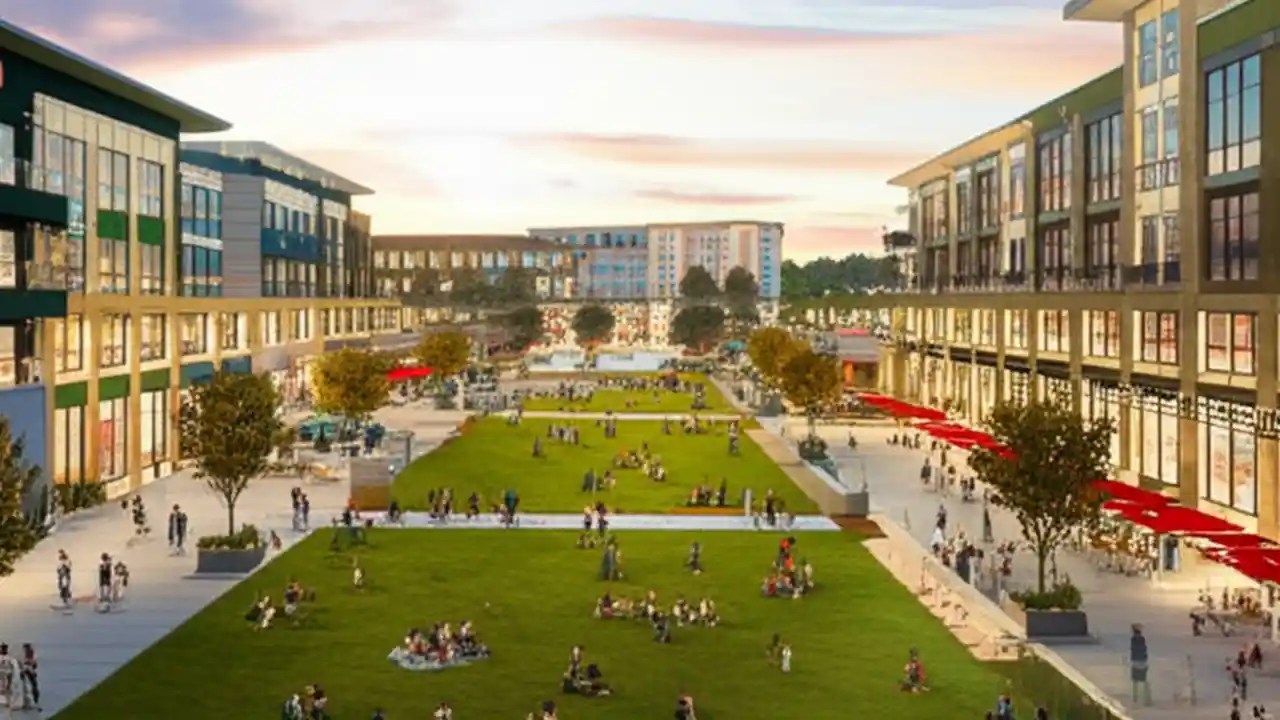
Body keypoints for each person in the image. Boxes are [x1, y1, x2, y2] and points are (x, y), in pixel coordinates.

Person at [1130, 623, 1151, 706]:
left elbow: (1134, 650)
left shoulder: (1134, 640)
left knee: (1136, 681)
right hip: (1142, 661)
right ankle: (1145, 698)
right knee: (1143, 680)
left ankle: (1136, 697)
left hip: (1136, 661)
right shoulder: (1141, 639)